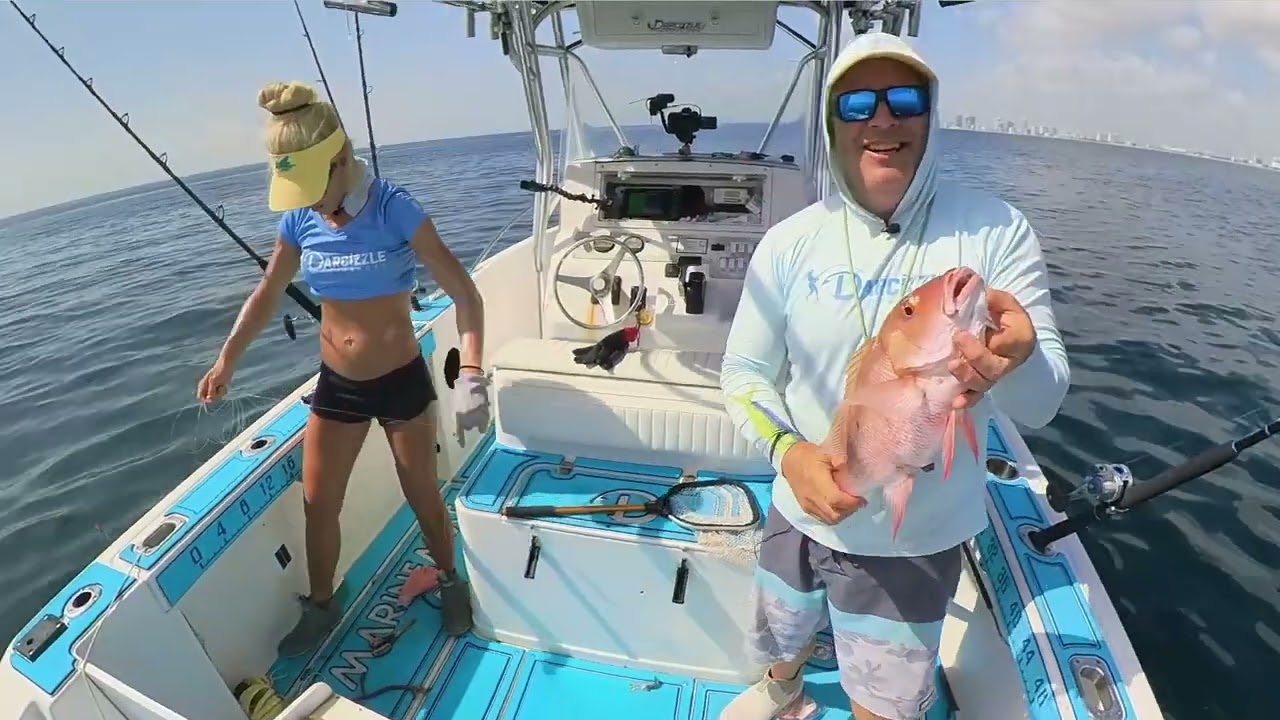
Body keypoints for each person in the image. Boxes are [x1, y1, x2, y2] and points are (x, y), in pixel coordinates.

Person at [719, 32, 1070, 720]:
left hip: (915, 540)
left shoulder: (996, 232)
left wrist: (1018, 361)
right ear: (831, 124)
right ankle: (782, 688)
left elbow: (1044, 405)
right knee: (781, 635)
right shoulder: (788, 243)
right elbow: (743, 373)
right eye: (856, 104)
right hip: (799, 503)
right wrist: (789, 455)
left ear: (931, 114)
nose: (881, 119)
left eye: (904, 99)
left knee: (882, 704)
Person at [196, 81, 490, 658]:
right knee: (318, 502)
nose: (307, 202)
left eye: (313, 187)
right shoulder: (299, 221)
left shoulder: (394, 208)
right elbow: (267, 292)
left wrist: (473, 373)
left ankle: (450, 579)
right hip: (337, 386)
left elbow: (466, 294)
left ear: (340, 161)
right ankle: (323, 602)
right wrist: (228, 357)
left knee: (422, 493)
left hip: (401, 381)